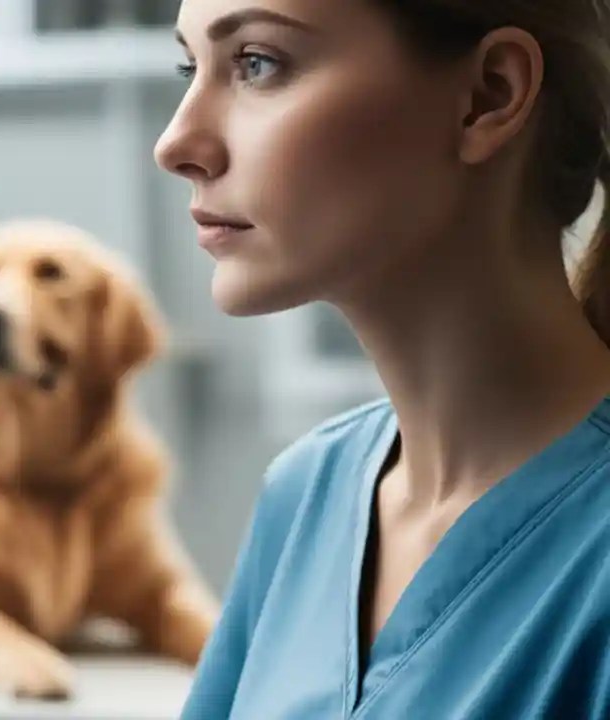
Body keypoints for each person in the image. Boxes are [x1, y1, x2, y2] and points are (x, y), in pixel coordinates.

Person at [153, 0, 610, 717]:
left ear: (488, 94)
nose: (177, 143)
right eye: (190, 68)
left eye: (257, 63)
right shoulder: (305, 495)